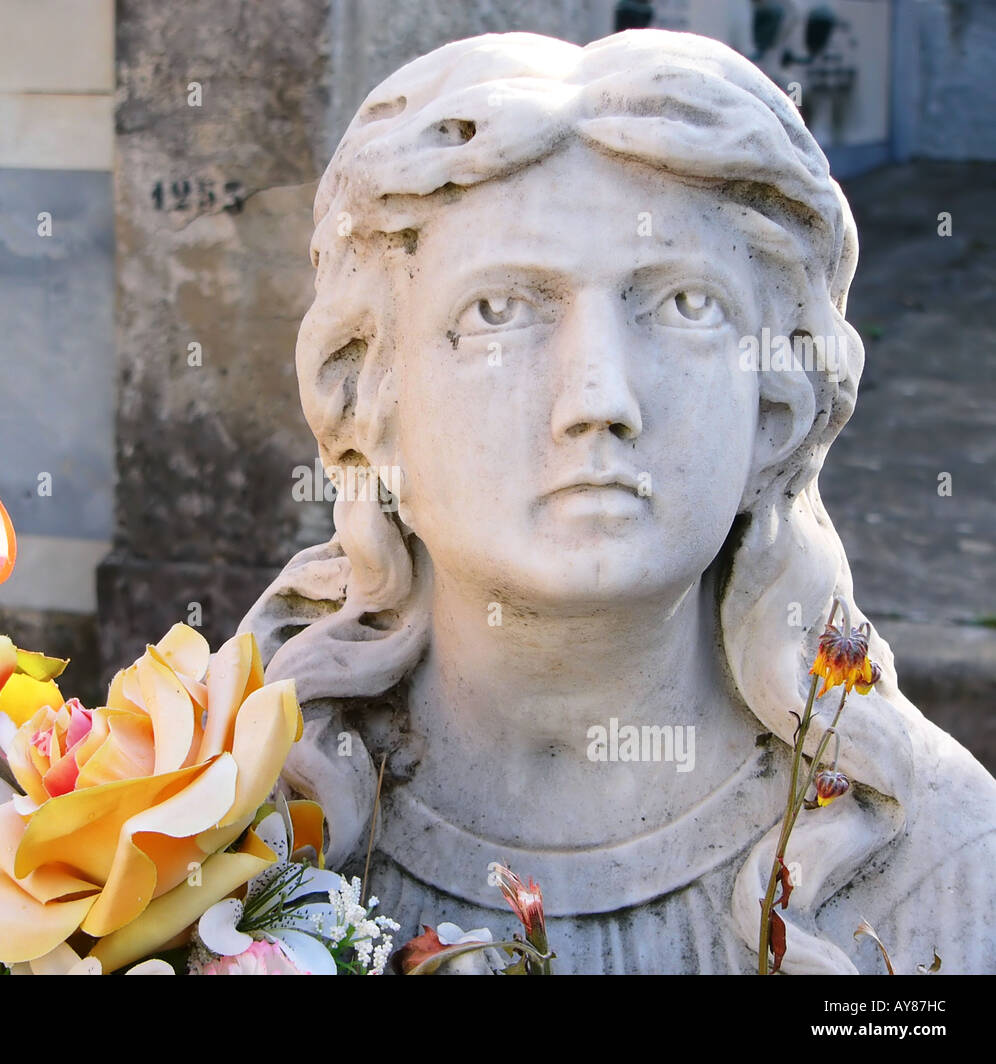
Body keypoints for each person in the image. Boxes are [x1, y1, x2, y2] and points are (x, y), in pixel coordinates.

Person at [241, 29, 996, 974]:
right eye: (499, 311)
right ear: (371, 397)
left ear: (775, 405)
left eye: (683, 304)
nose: (598, 398)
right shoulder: (184, 831)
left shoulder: (941, 873)